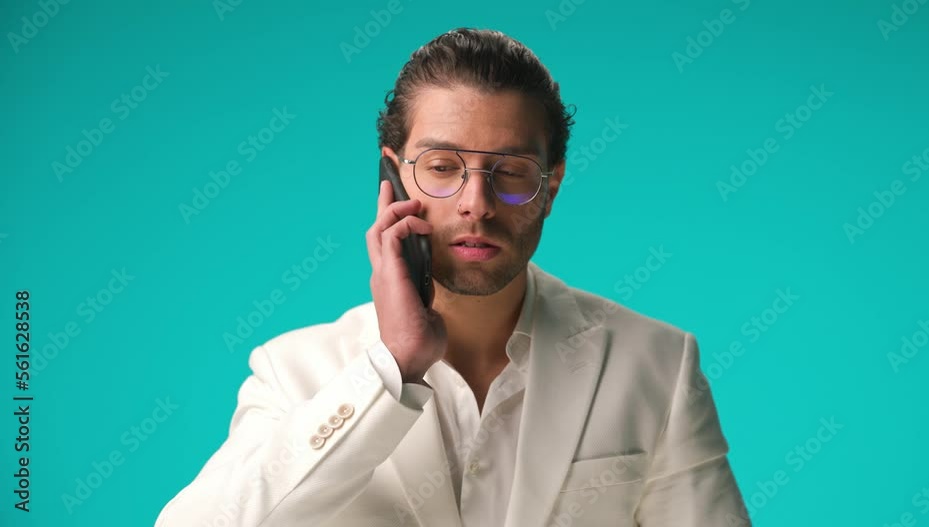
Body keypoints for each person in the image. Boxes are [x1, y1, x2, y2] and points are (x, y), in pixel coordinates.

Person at [154, 27, 750, 527]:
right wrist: (390, 370)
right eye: (442, 167)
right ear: (393, 177)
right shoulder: (295, 373)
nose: (477, 203)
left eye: (511, 171)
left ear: (553, 184)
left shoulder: (656, 363)